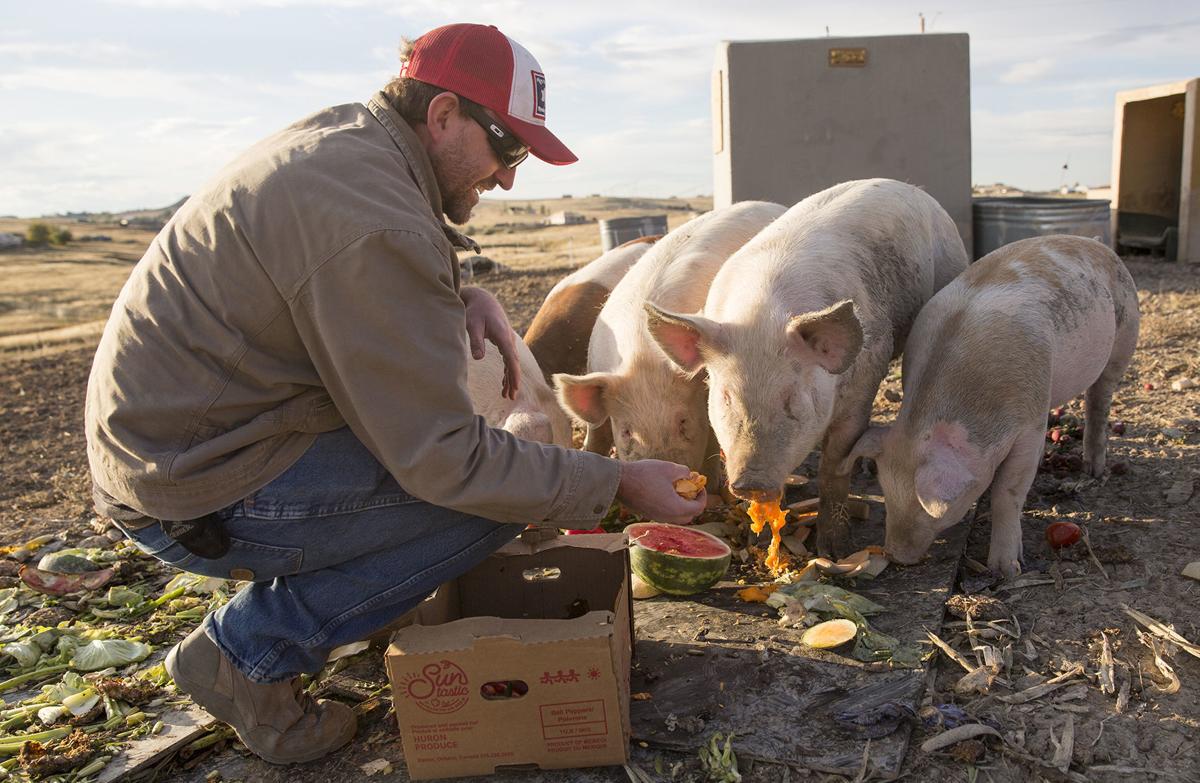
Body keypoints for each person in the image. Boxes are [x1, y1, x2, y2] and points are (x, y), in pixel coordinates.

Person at [84, 22, 704, 765]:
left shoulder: (354, 144)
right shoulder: (373, 214)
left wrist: (457, 295)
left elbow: (340, 280)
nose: (509, 177)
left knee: (496, 477)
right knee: (490, 497)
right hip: (196, 486)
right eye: (506, 148)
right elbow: (444, 461)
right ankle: (246, 653)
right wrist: (617, 480)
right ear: (443, 114)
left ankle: (341, 599)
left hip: (191, 441)